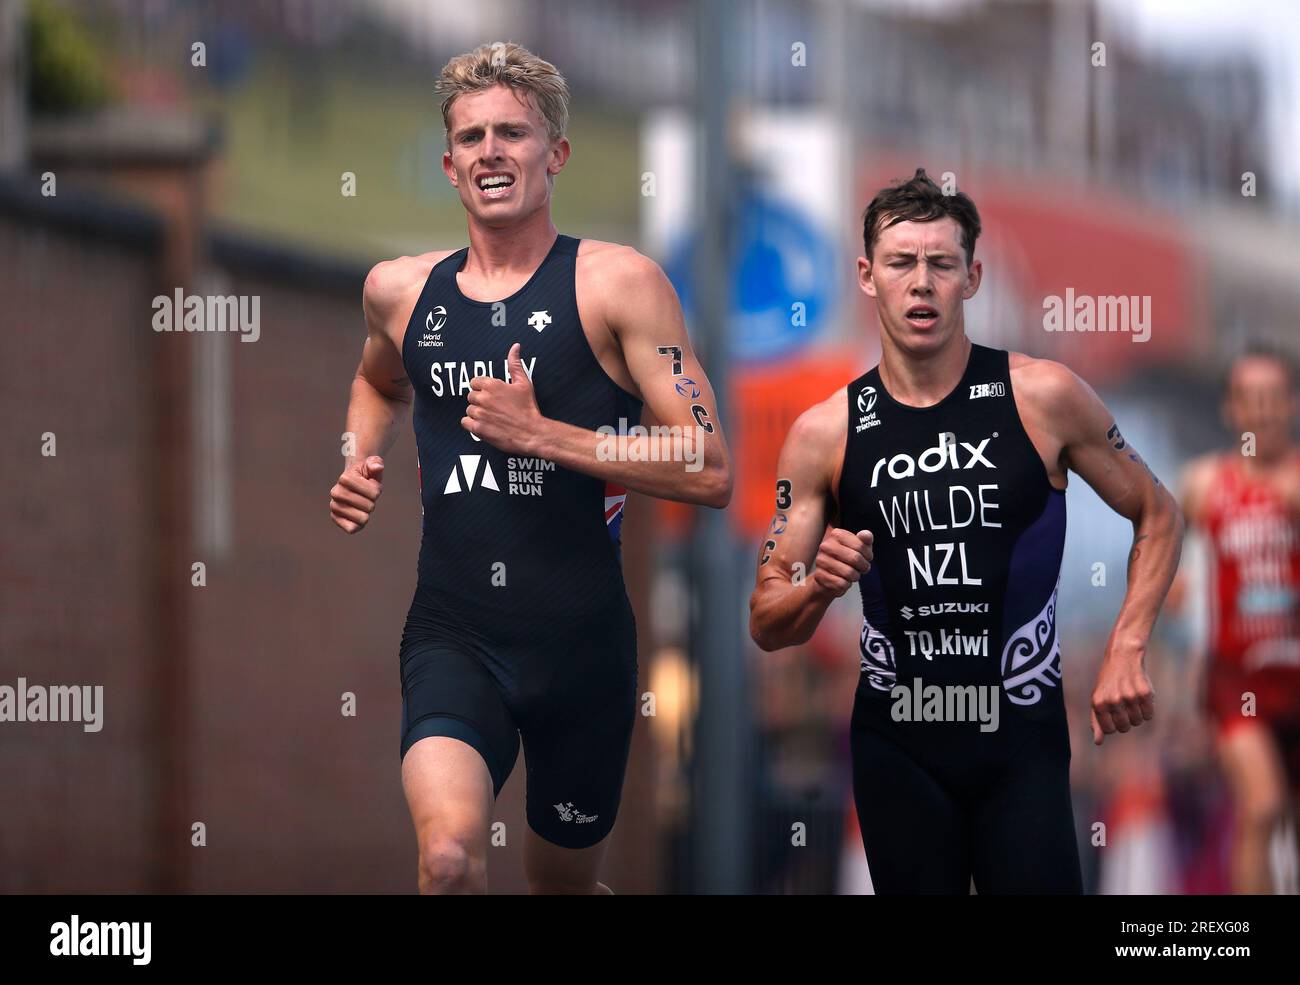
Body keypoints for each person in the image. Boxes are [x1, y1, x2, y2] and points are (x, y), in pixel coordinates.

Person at [329, 42, 732, 894]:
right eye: (472, 137)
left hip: (582, 648)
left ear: (556, 154)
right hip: (453, 634)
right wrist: (359, 454)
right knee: (446, 861)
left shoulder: (618, 284)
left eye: (512, 132)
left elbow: (707, 464)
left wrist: (543, 433)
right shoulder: (400, 291)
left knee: (562, 886)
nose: (491, 152)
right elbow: (376, 380)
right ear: (448, 165)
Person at [749, 168, 1183, 893]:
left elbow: (1159, 512)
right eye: (901, 263)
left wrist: (1128, 645)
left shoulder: (1043, 395)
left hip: (1021, 740)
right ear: (867, 275)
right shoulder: (824, 432)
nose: (921, 283)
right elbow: (767, 620)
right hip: (897, 742)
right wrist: (818, 590)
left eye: (941, 264)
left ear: (972, 277)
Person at [1180, 344, 1300, 893]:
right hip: (1235, 677)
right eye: (1251, 399)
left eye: (1274, 398)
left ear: (1292, 404)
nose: (1264, 412)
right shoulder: (1204, 484)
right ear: (1232, 409)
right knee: (1262, 806)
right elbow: (1171, 563)